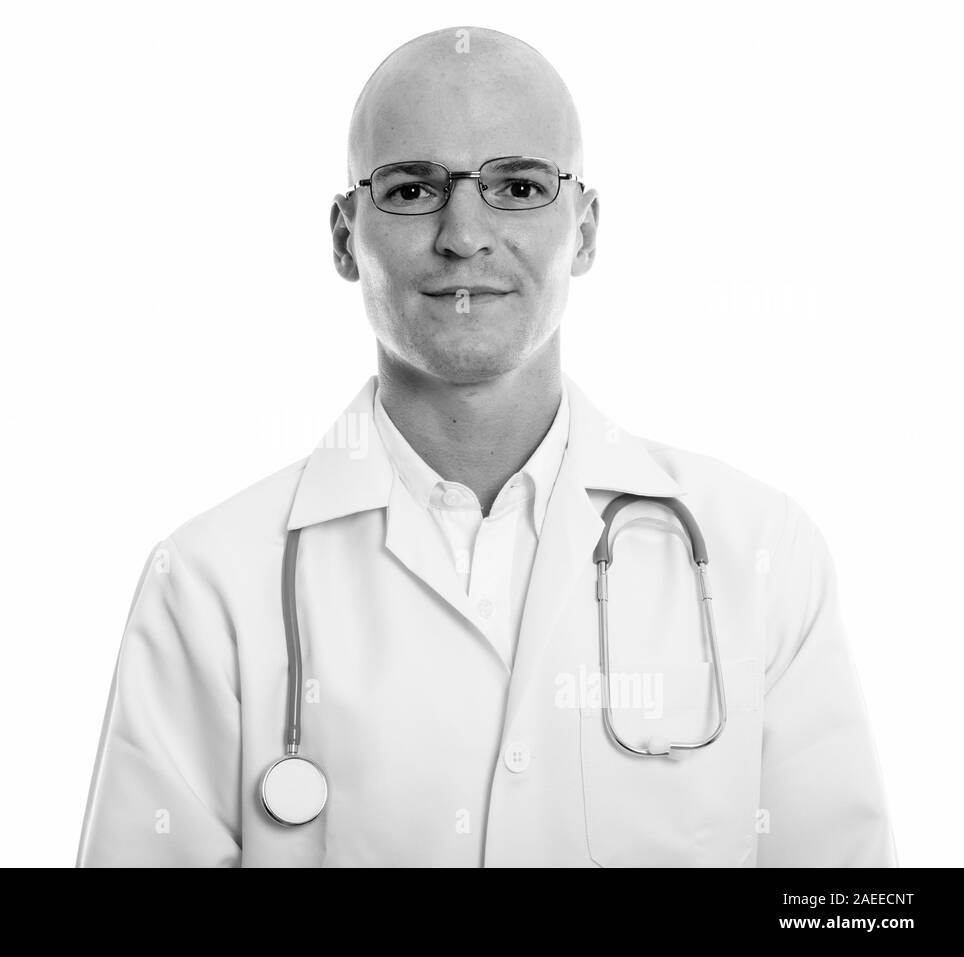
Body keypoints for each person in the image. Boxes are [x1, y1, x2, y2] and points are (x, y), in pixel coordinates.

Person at [75, 26, 896, 867]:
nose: (464, 234)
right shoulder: (207, 584)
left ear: (584, 231)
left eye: (518, 186)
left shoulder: (761, 552)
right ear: (344, 238)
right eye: (411, 189)